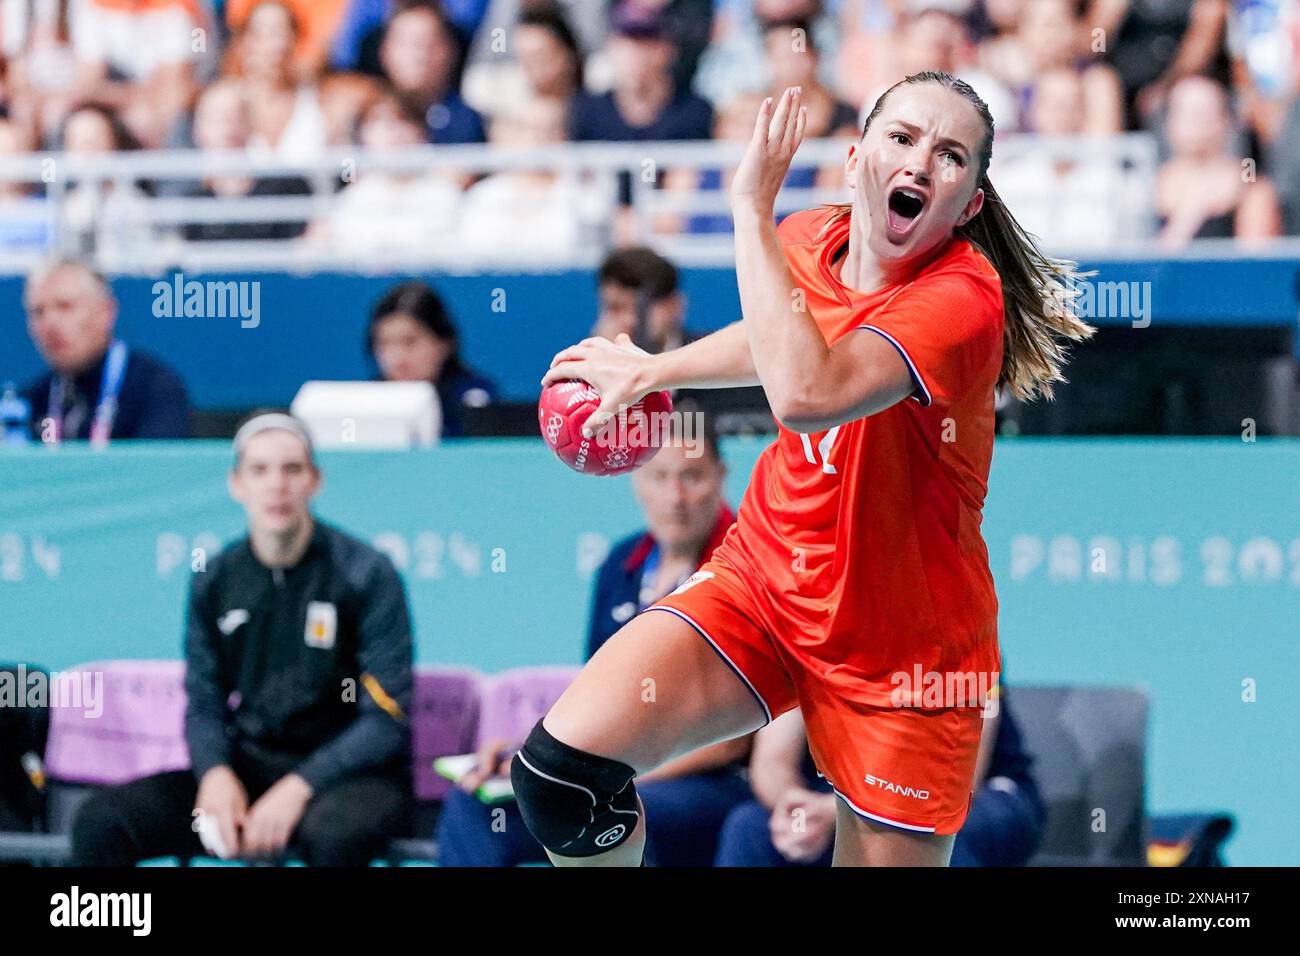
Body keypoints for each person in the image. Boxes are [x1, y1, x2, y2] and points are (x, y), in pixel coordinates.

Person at [526, 71, 1094, 866]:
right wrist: (656, 369)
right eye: (902, 138)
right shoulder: (806, 239)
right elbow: (778, 340)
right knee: (562, 778)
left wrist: (747, 210)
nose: (922, 162)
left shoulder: (965, 300)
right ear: (858, 157)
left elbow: (805, 390)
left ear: (968, 202)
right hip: (768, 583)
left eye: (951, 154)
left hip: (904, 651)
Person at [69, 413, 415, 866]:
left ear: (316, 480)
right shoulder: (215, 579)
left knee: (332, 837)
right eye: (260, 470)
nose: (277, 485)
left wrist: (299, 786)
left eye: (292, 469)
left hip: (349, 777)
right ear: (236, 484)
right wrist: (214, 773)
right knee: (102, 821)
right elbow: (204, 703)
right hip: (250, 765)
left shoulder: (366, 574)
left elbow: (386, 721)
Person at [436, 406, 753, 866]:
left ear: (722, 475)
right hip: (621, 771)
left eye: (693, 476)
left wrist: (616, 777)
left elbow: (731, 741)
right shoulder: (619, 564)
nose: (676, 496)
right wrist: (528, 760)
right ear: (636, 479)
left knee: (632, 817)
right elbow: (597, 697)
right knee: (475, 807)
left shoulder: (744, 562)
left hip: (710, 781)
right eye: (659, 476)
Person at [714, 684, 1045, 866]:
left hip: (973, 795)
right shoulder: (814, 628)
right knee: (750, 826)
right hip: (841, 799)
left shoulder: (955, 618)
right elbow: (773, 760)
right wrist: (797, 806)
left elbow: (957, 775)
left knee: (926, 835)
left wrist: (836, 814)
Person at [22, 259, 191, 442]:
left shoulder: (155, 390)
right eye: (38, 312)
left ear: (106, 312)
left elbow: (159, 467)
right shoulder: (34, 400)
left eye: (65, 307)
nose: (50, 324)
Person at [1154, 75, 1281, 248]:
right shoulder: (1148, 184)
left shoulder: (1249, 185)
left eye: (1202, 112)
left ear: (1225, 120)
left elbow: (1256, 264)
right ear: (1168, 121)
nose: (1194, 122)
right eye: (1183, 111)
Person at [365, 281, 497, 437]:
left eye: (409, 342)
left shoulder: (475, 400)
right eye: (384, 343)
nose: (397, 357)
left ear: (445, 343)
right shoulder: (367, 404)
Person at [379, 2, 485, 144]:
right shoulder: (361, 113)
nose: (418, 56)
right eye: (406, 44)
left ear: (450, 50)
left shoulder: (474, 122)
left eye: (427, 44)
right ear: (385, 51)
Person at [593, 247, 695, 352]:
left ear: (673, 306)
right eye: (615, 308)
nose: (629, 321)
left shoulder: (706, 360)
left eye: (640, 309)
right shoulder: (587, 360)